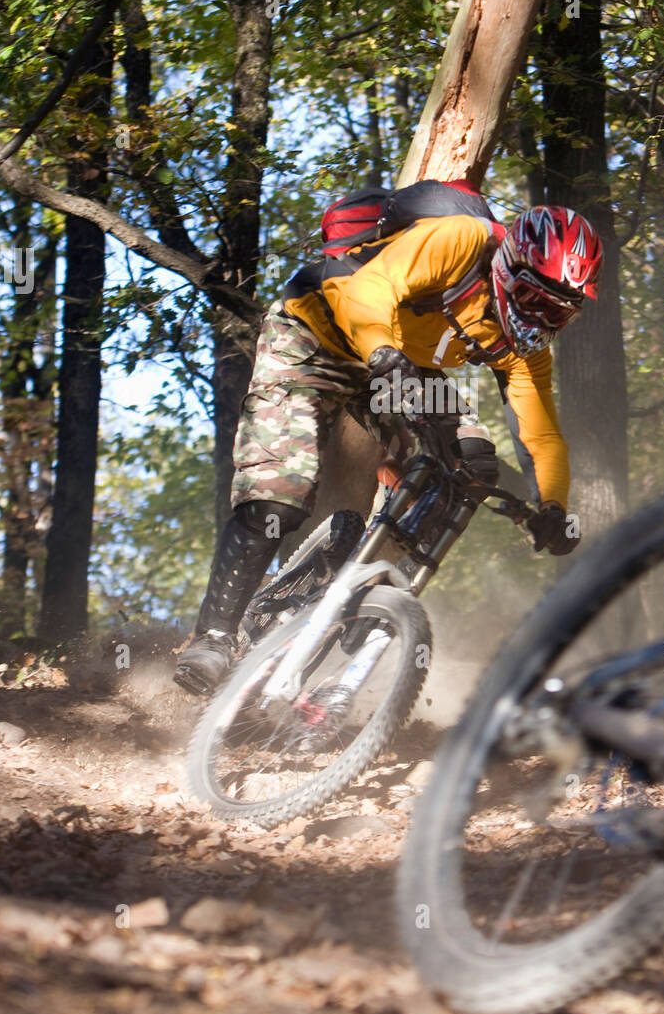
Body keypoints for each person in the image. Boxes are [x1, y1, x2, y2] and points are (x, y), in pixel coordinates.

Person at [174, 194, 602, 696]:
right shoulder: (462, 242)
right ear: (508, 267)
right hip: (316, 334)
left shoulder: (524, 350)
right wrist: (381, 349)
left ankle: (374, 582)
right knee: (278, 491)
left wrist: (552, 504)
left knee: (474, 465)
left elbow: (542, 436)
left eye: (559, 314)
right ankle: (214, 639)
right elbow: (370, 287)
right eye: (535, 302)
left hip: (399, 362)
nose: (542, 322)